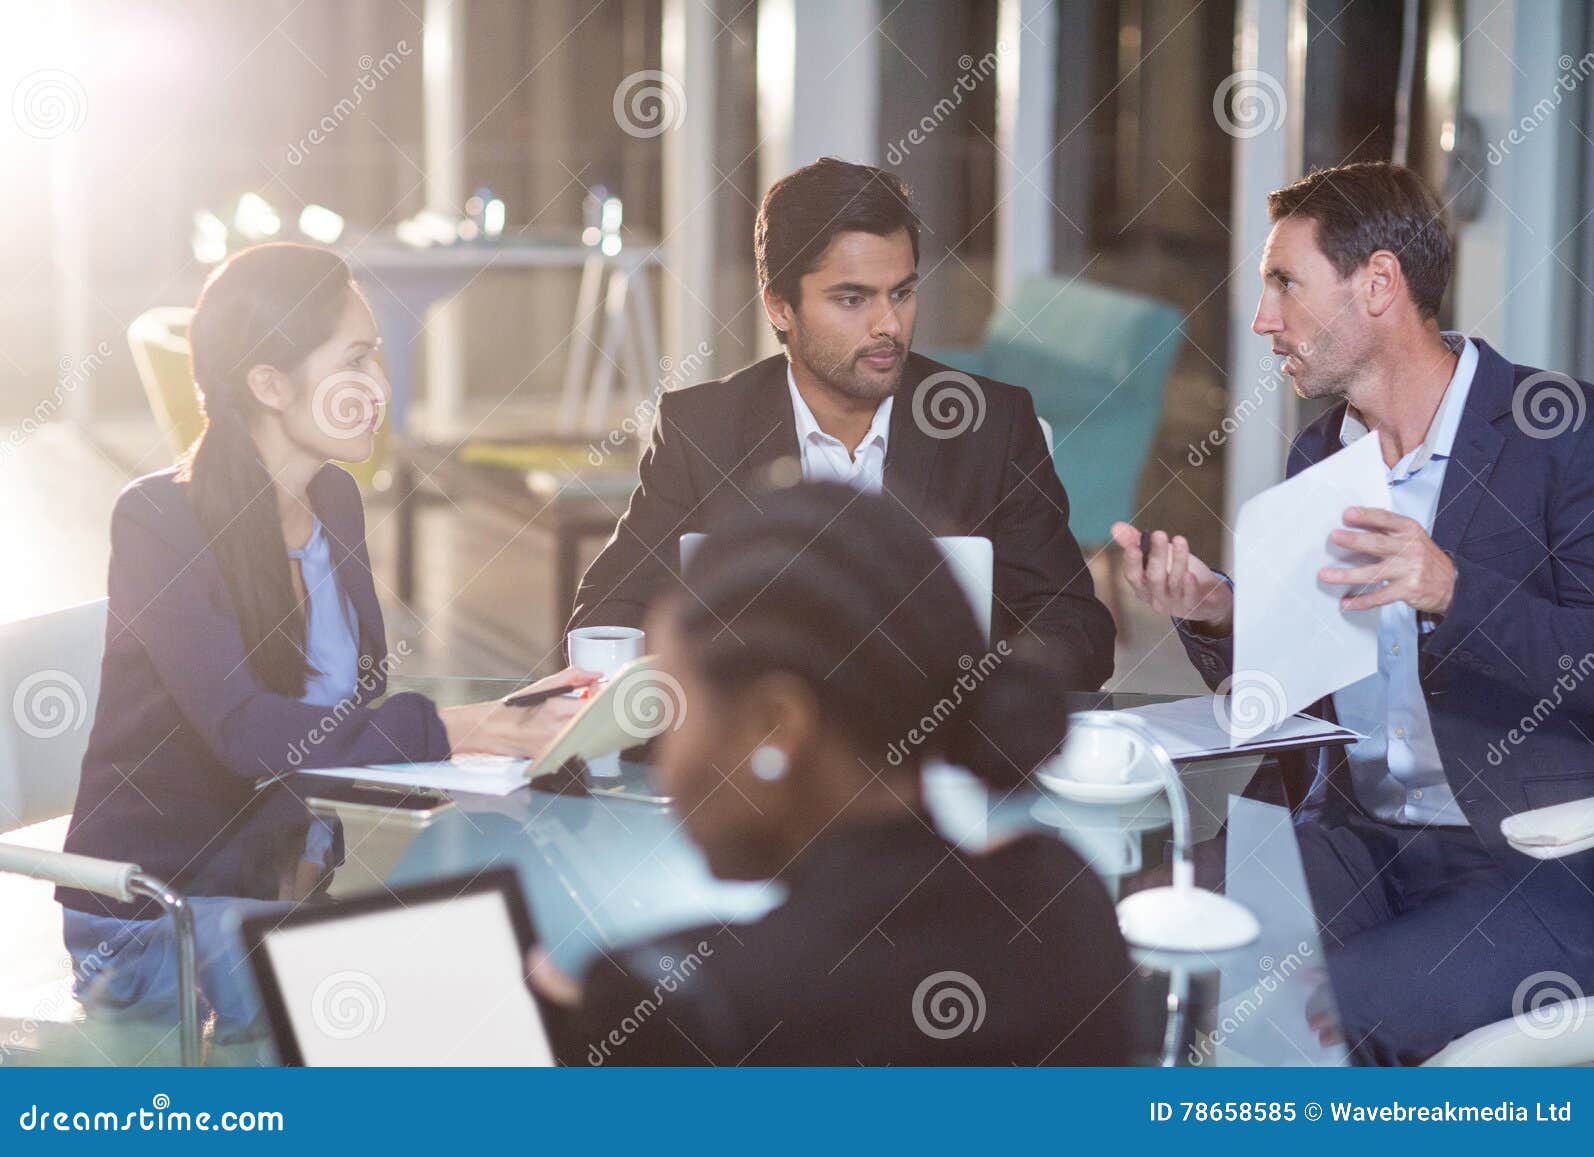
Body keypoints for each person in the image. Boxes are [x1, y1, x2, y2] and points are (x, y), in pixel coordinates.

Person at [1111, 161, 1594, 1064]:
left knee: (1313, 1020)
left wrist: (1453, 590)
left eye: (1285, 284)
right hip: (1356, 837)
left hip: (1533, 860)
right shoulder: (1321, 455)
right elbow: (1298, 689)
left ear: (1378, 284)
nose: (1263, 320)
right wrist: (1222, 615)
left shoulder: (1564, 431)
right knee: (1136, 943)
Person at [58, 242, 596, 1030]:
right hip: (157, 922)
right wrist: (466, 727)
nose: (381, 388)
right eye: (356, 360)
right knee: (457, 994)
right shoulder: (158, 521)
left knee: (529, 943)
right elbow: (247, 734)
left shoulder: (334, 500)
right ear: (269, 383)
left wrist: (505, 721)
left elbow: (346, 717)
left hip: (286, 892)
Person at [532, 484, 1131, 1065]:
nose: (663, 765)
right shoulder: (1066, 901)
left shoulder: (682, 1008)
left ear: (775, 726)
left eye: (677, 711)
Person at [569, 157, 1115, 692]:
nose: (889, 325)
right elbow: (606, 614)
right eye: (852, 299)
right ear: (780, 307)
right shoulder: (701, 429)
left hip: (939, 736)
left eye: (902, 293)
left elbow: (1075, 629)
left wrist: (976, 697)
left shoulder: (990, 425)